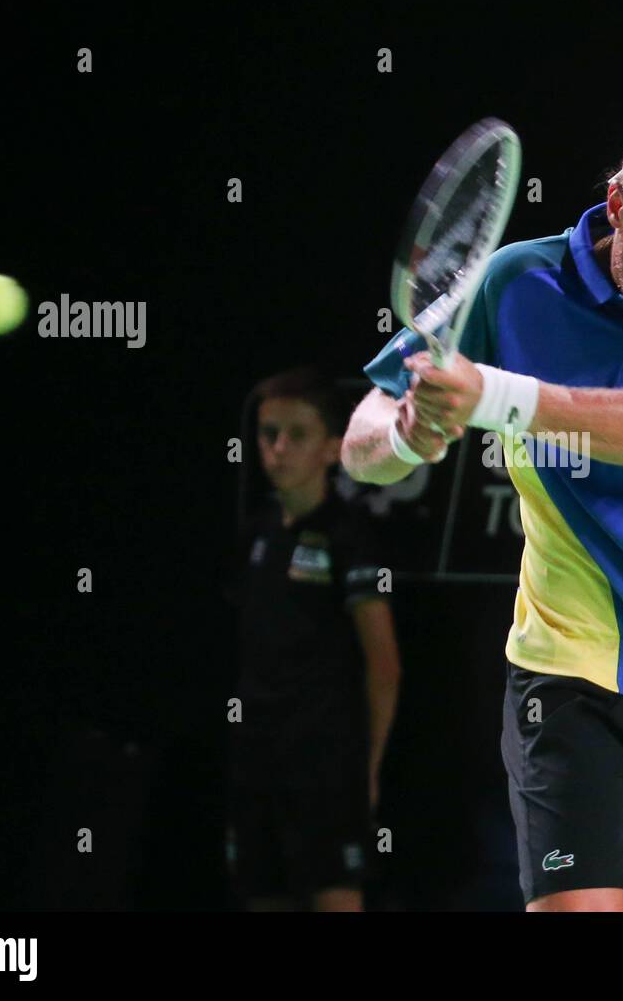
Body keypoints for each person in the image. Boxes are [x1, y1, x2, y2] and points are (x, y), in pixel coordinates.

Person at [343, 109, 623, 912]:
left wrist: (494, 396)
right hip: (567, 672)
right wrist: (411, 435)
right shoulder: (512, 282)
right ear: (620, 203)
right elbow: (361, 442)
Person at [226, 367, 401, 912]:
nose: (277, 449)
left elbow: (385, 666)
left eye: (296, 435)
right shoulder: (255, 533)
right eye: (267, 433)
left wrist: (367, 770)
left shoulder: (349, 537)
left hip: (327, 766)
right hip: (256, 758)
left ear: (332, 448)